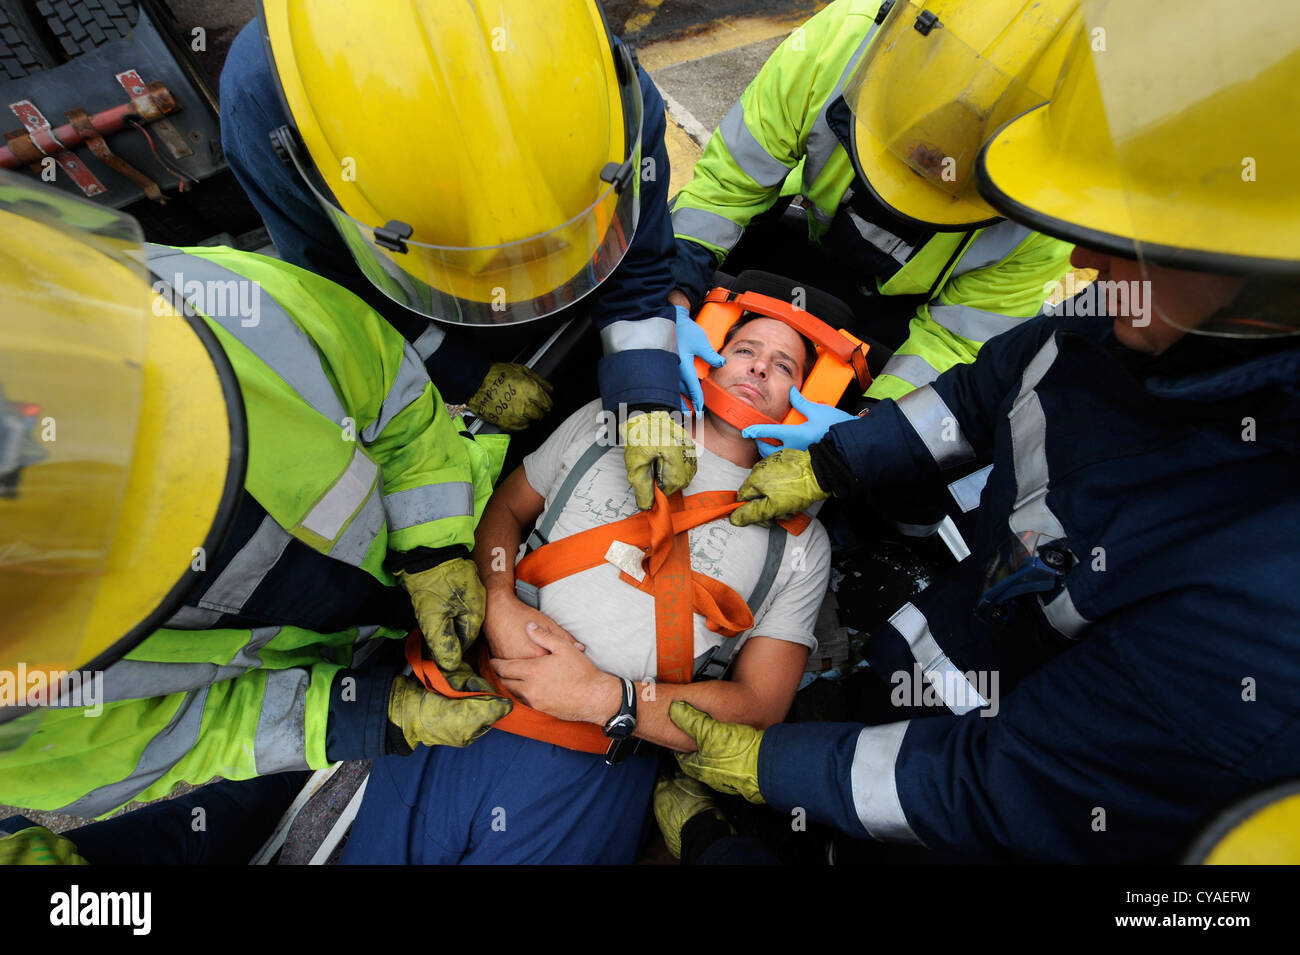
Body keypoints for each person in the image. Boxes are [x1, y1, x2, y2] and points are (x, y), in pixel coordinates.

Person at [665, 0, 1300, 863]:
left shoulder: (1261, 612)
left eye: (1131, 234)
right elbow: (978, 392)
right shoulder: (1139, 321)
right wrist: (834, 462)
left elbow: (999, 787)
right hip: (972, 624)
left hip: (996, 782)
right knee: (895, 670)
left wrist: (769, 772)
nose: (1083, 263)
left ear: (1264, 276)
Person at [0, 174, 510, 819]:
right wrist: (362, 713)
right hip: (347, 655)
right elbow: (184, 733)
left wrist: (435, 544)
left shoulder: (206, 306)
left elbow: (393, 399)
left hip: (474, 515)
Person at [340, 315, 833, 864]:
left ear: (802, 400)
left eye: (783, 365)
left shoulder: (801, 538)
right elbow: (504, 510)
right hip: (457, 707)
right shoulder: (608, 422)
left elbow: (760, 709)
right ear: (709, 356)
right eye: (744, 348)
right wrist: (498, 600)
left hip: (591, 770)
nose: (760, 365)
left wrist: (608, 699)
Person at [221, 0, 703, 512]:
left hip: (587, 285)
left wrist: (644, 389)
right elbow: (339, 285)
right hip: (427, 308)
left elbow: (638, 247)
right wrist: (457, 369)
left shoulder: (592, 68)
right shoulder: (266, 97)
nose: (521, 284)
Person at [669, 0, 1078, 423]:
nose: (926, 168)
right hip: (807, 234)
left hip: (919, 308)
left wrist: (868, 432)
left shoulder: (1048, 217)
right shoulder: (840, 44)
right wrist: (672, 302)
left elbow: (955, 345)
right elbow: (724, 188)